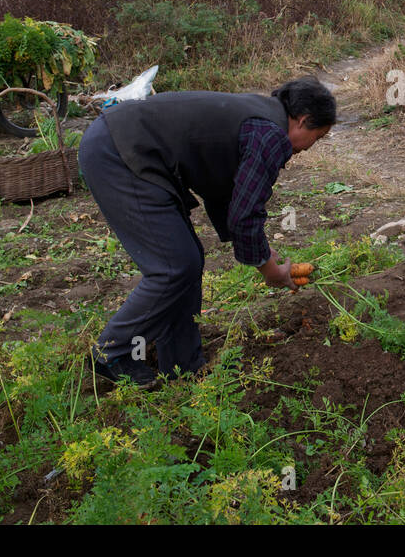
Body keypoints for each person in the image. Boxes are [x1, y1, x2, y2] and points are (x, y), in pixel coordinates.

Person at [78, 77, 336, 386]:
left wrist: (262, 251)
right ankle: (111, 354)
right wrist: (268, 269)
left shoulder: (257, 117)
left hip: (126, 147)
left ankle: (183, 365)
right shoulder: (270, 135)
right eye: (317, 137)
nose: (310, 148)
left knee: (186, 260)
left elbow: (225, 191)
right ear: (303, 121)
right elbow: (245, 214)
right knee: (173, 266)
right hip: (119, 152)